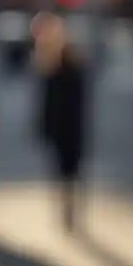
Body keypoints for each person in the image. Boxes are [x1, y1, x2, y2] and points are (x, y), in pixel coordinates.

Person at [36, 25, 89, 232]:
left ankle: (70, 212)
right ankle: (67, 212)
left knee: (68, 173)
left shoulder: (72, 73)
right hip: (63, 130)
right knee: (66, 173)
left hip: (69, 129)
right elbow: (46, 105)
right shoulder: (53, 74)